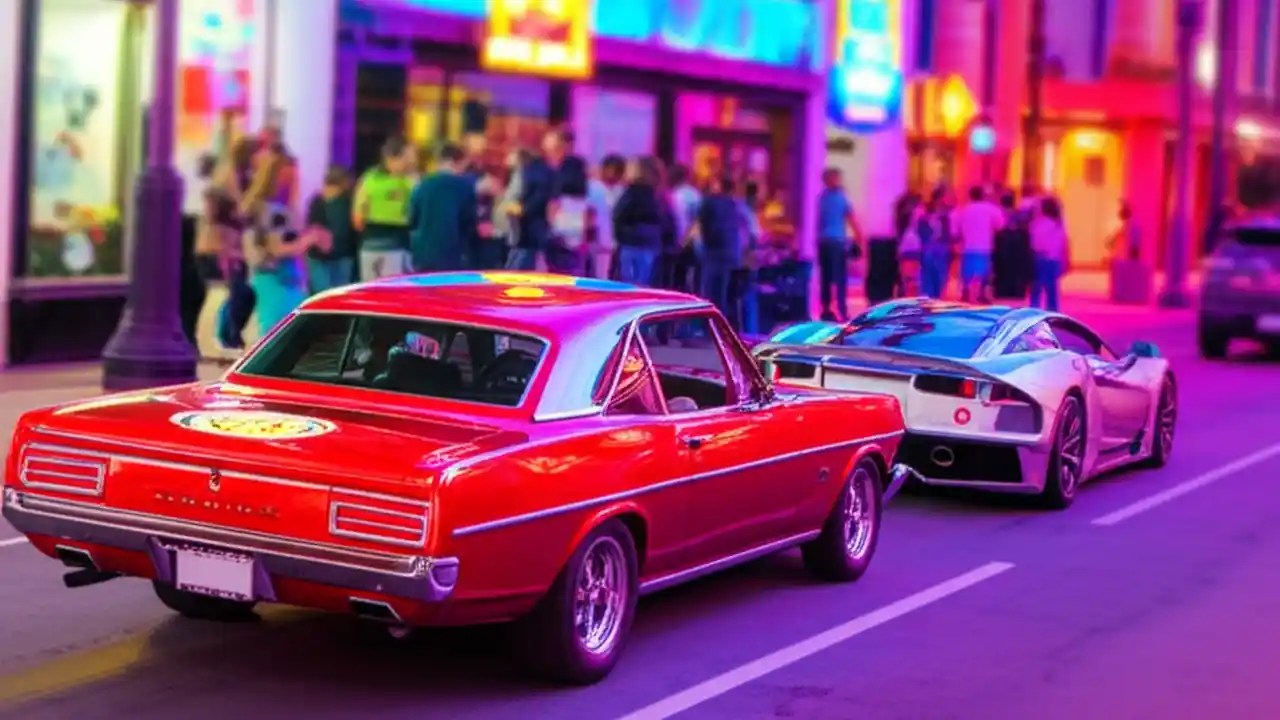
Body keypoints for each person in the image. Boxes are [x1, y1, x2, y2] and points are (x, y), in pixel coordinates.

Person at [408, 142, 477, 272]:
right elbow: (469, 222)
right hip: (453, 253)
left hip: (423, 253)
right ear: (455, 162)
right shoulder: (465, 187)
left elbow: (413, 217)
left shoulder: (423, 184)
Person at [353, 136, 414, 280]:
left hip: (370, 246)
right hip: (397, 248)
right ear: (392, 158)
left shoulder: (368, 179)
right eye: (407, 157)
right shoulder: (410, 182)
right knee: (394, 292)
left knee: (371, 292)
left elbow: (357, 220)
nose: (411, 162)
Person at [612, 156, 668, 286]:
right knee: (644, 283)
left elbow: (618, 215)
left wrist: (620, 236)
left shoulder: (631, 191)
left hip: (631, 242)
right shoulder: (660, 194)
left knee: (628, 283)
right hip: (651, 243)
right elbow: (665, 220)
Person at [816, 168, 862, 321]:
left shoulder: (822, 198)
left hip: (824, 242)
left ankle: (827, 308)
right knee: (840, 278)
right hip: (837, 242)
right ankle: (841, 310)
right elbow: (851, 218)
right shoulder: (841, 198)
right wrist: (859, 239)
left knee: (826, 277)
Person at [695, 174, 742, 324]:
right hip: (730, 254)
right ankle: (722, 324)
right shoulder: (734, 204)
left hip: (713, 252)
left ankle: (707, 326)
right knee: (723, 292)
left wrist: (702, 247)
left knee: (709, 291)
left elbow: (703, 226)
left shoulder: (709, 202)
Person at [303, 166, 357, 293]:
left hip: (335, 255)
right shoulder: (345, 201)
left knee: (328, 296)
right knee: (332, 297)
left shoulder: (319, 201)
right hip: (330, 256)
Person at [507, 147, 557, 271]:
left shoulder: (527, 174)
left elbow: (524, 197)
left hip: (527, 228)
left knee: (523, 261)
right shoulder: (540, 174)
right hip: (530, 228)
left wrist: (522, 210)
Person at [956, 185, 1004, 302]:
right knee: (984, 272)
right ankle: (982, 293)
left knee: (967, 271)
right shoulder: (991, 209)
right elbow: (1000, 225)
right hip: (984, 246)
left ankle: (965, 291)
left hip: (968, 246)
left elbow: (957, 228)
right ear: (983, 195)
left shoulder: (964, 209)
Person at [547, 154, 592, 274]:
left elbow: (551, 217)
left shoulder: (557, 197)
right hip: (577, 242)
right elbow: (588, 222)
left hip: (558, 240)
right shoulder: (586, 198)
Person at [587, 154, 626, 279]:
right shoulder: (592, 187)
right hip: (594, 240)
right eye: (610, 169)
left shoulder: (622, 191)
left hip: (615, 241)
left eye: (617, 170)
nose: (612, 174)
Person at [1029, 196, 1070, 311]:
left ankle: (1034, 311)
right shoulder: (1058, 224)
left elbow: (1035, 242)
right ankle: (1053, 311)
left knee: (1036, 289)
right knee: (1052, 290)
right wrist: (1065, 259)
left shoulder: (1038, 223)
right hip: (1054, 259)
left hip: (1041, 258)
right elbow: (1064, 242)